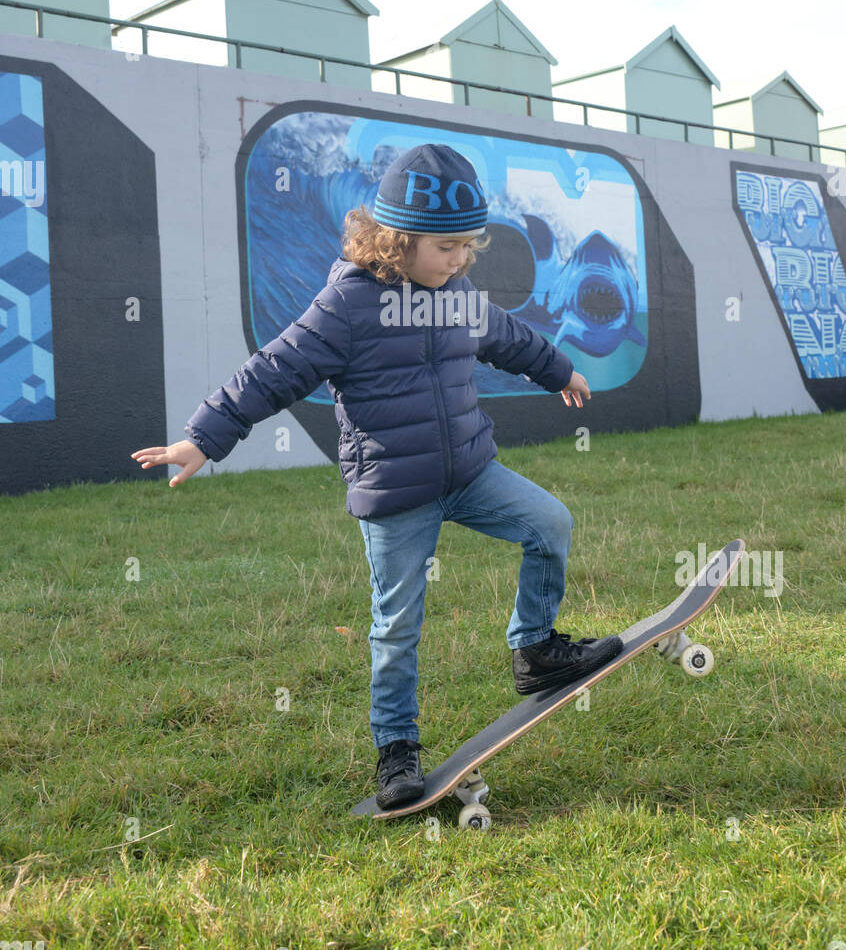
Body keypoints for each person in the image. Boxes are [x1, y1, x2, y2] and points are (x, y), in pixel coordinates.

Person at [131, 143, 622, 808]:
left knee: (550, 524)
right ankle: (397, 751)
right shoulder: (347, 307)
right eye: (445, 249)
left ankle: (534, 649)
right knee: (396, 626)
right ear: (397, 240)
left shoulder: (455, 292)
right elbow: (274, 371)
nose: (458, 262)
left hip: (470, 471)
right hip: (395, 491)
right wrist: (202, 438)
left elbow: (503, 334)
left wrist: (557, 369)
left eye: (465, 248)